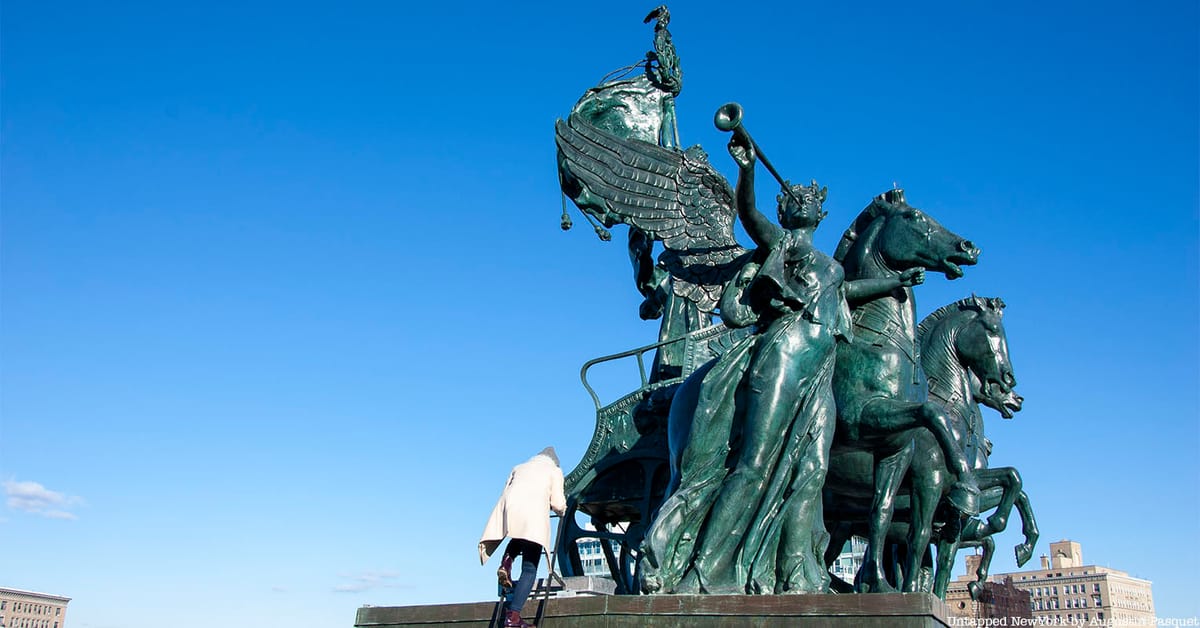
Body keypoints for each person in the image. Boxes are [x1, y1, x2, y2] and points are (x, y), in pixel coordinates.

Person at [639, 133, 924, 594]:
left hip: (819, 375)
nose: (804, 203)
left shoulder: (827, 265)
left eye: (812, 201)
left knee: (810, 472)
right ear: (787, 211)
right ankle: (702, 571)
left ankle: (797, 573)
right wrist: (747, 169)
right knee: (753, 465)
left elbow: (844, 294)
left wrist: (894, 281)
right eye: (797, 199)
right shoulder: (783, 246)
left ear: (820, 214)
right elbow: (749, 215)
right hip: (783, 357)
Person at [478, 447, 566, 628]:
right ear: (554, 461)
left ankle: (507, 562)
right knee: (529, 569)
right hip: (533, 514)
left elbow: (506, 489)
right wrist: (561, 509)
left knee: (518, 532)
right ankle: (513, 617)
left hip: (510, 507)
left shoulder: (519, 467)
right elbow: (558, 503)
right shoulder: (554, 471)